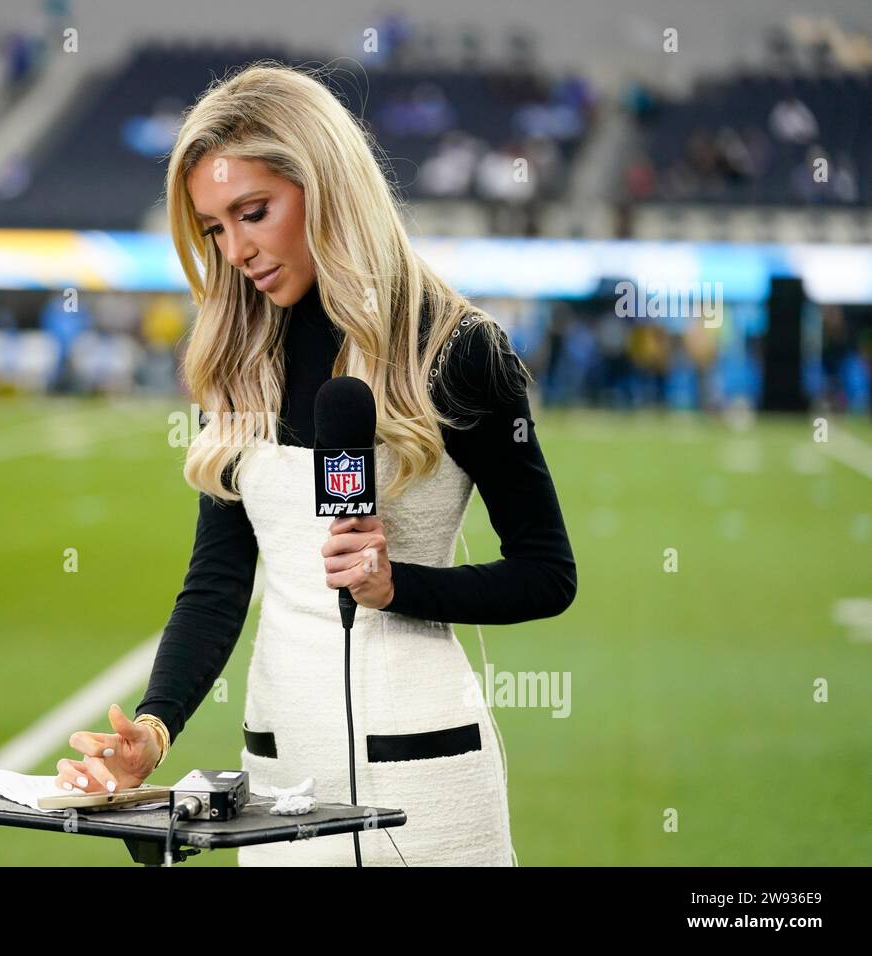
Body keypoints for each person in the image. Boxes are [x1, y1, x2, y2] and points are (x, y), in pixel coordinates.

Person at [56, 62, 577, 866]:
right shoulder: (236, 365)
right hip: (278, 779)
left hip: (429, 775)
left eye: (253, 213)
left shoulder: (459, 350)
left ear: (324, 184)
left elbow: (548, 573)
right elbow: (217, 579)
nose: (236, 251)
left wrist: (400, 583)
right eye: (214, 231)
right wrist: (153, 732)